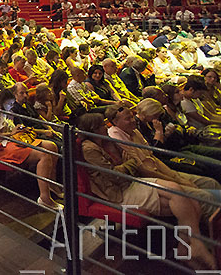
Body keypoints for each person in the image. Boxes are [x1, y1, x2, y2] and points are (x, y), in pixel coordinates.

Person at [78, 112, 217, 270]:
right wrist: (130, 164)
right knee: (179, 193)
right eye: (103, 124)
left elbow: (126, 167)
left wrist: (127, 165)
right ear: (94, 129)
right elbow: (116, 175)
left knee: (191, 202)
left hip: (130, 182)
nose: (106, 126)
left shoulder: (105, 142)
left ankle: (185, 248)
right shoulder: (89, 148)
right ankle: (196, 244)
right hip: (119, 192)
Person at [0, 89, 62, 209]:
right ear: (1, 102)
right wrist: (11, 134)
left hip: (14, 139)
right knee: (44, 155)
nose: (11, 106)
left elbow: (11, 126)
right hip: (0, 145)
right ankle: (44, 198)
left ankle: (51, 182)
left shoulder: (7, 109)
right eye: (9, 104)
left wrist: (17, 129)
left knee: (52, 146)